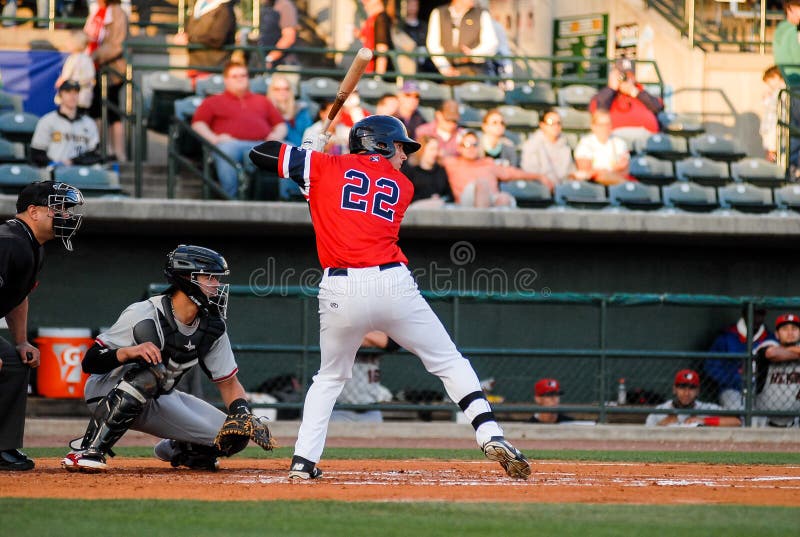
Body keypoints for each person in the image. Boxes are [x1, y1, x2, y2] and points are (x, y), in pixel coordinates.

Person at [249, 115, 531, 480]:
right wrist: (312, 163)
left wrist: (306, 152)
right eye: (399, 147)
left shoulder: (325, 166)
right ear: (379, 144)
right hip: (392, 284)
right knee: (447, 361)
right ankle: (490, 433)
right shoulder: (402, 185)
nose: (404, 156)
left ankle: (303, 462)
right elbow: (337, 195)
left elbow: (260, 153)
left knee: (329, 378)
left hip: (339, 288)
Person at [61, 245, 266, 472]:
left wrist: (243, 414)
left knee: (234, 436)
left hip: (161, 396)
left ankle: (179, 449)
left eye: (217, 279)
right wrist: (129, 352)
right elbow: (90, 362)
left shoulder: (212, 326)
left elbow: (229, 384)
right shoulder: (144, 313)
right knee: (150, 372)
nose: (217, 285)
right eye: (210, 277)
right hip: (107, 390)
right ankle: (89, 450)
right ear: (187, 278)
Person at [0, 181, 84, 471]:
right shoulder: (8, 241)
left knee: (13, 361)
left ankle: (2, 448)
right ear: (33, 211)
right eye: (59, 208)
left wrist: (21, 340)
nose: (66, 215)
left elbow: (18, 296)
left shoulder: (33, 246)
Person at [191, 61, 287, 198]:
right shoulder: (212, 101)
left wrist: (276, 135)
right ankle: (232, 198)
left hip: (262, 143)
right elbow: (198, 124)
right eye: (235, 76)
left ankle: (289, 196)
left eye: (243, 75)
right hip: (232, 144)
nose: (240, 79)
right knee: (225, 150)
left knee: (291, 150)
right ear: (226, 80)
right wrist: (215, 139)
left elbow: (280, 125)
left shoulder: (263, 100)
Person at [443, 130, 551, 208]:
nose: (471, 148)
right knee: (481, 184)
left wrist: (539, 176)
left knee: (504, 198)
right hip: (466, 203)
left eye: (475, 144)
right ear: (459, 147)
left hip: (491, 201)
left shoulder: (488, 162)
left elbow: (511, 173)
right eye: (466, 144)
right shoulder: (451, 162)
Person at [704, 306, 774, 410]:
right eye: (752, 314)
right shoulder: (727, 337)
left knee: (764, 415)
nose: (756, 318)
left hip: (761, 390)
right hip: (732, 389)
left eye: (759, 314)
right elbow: (711, 366)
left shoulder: (770, 338)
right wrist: (733, 379)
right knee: (738, 412)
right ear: (744, 315)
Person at [84, 0, 128, 162]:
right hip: (94, 69)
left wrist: (95, 56)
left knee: (112, 110)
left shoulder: (117, 12)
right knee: (96, 109)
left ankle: (118, 152)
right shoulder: (97, 12)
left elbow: (117, 44)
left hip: (112, 70)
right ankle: (101, 148)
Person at [30, 81, 102, 169]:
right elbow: (37, 153)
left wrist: (72, 161)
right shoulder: (48, 120)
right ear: (60, 95)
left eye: (75, 93)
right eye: (68, 92)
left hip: (81, 173)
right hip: (54, 173)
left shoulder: (89, 123)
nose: (72, 96)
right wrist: (53, 164)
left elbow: (94, 154)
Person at [331, 331, 397, 423]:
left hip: (371, 410)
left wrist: (358, 334)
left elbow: (392, 343)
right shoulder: (339, 326)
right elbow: (344, 338)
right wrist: (375, 341)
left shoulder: (374, 326)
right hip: (340, 409)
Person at [426, 0, 498, 81]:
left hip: (473, 75)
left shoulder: (482, 14)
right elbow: (433, 45)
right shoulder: (438, 13)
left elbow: (491, 43)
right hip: (443, 78)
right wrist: (445, 67)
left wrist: (472, 55)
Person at [645, 369, 741, 427]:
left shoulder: (706, 408)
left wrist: (704, 421)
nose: (687, 393)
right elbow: (645, 434)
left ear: (698, 391)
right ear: (674, 389)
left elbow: (736, 422)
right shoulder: (660, 410)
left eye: (691, 388)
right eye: (682, 387)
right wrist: (663, 424)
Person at [590, 59, 663, 134]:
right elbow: (598, 111)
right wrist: (612, 89)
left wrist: (635, 92)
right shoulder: (607, 94)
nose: (626, 79)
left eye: (629, 75)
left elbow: (658, 107)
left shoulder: (641, 92)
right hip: (615, 139)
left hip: (645, 139)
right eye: (623, 75)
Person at [173, 0, 236, 82]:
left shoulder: (224, 10)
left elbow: (217, 39)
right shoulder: (200, 5)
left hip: (213, 67)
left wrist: (189, 39)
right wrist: (184, 35)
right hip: (196, 64)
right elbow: (191, 28)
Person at [754, 314, 800, 427]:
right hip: (763, 421)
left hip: (794, 422)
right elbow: (772, 354)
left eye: (794, 329)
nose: (790, 333)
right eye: (785, 329)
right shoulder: (767, 346)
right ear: (776, 334)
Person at [773, 0, 800, 173]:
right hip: (796, 84)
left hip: (794, 85)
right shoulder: (787, 30)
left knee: (795, 129)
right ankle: (793, 166)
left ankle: (793, 166)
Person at [520, 107, 575, 186]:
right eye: (551, 122)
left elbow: (570, 171)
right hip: (540, 188)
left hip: (563, 187)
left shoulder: (565, 145)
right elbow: (530, 172)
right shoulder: (531, 145)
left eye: (558, 123)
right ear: (542, 125)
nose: (555, 126)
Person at [573, 110, 630, 186]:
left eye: (608, 124)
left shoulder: (620, 143)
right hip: (593, 183)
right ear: (593, 126)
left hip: (617, 180)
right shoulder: (585, 143)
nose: (605, 128)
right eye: (601, 125)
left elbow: (624, 169)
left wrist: (603, 170)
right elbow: (586, 171)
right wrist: (611, 169)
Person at [401, 134, 452, 208]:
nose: (435, 153)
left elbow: (450, 195)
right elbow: (404, 196)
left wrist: (441, 199)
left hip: (439, 208)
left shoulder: (440, 170)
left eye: (437, 149)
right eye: (432, 149)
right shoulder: (410, 170)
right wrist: (429, 200)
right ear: (422, 150)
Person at [267, 74, 313, 147]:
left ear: (290, 91)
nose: (282, 92)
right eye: (277, 89)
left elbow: (307, 138)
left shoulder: (301, 111)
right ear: (271, 91)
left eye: (286, 89)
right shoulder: (265, 111)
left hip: (298, 151)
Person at [55, 31, 96, 113]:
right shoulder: (86, 59)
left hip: (76, 97)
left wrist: (61, 81)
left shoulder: (74, 59)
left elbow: (66, 76)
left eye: (70, 43)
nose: (67, 45)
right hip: (83, 98)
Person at [257, 0, 299, 70]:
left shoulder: (285, 5)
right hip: (266, 60)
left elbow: (289, 37)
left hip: (283, 64)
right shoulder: (266, 6)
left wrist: (270, 58)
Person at [358, 0, 394, 76]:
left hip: (379, 73)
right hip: (372, 69)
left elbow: (382, 49)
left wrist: (378, 77)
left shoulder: (381, 19)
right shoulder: (375, 18)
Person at [760, 65, 785, 163]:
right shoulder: (776, 91)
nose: (769, 85)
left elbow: (775, 106)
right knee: (770, 153)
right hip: (770, 128)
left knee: (772, 154)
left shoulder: (781, 91)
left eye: (769, 81)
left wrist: (766, 99)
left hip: (774, 129)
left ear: (775, 77)